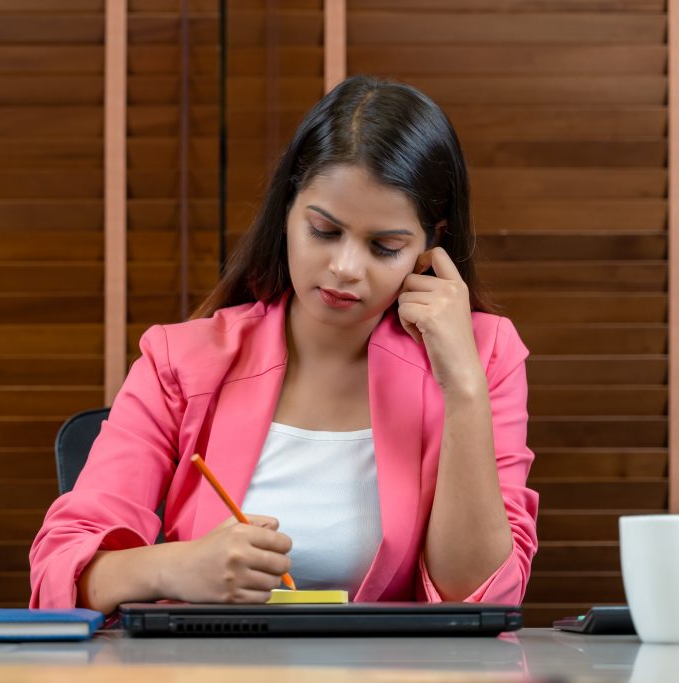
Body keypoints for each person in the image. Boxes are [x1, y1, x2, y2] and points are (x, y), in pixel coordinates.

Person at [29, 74, 539, 615]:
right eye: (323, 231)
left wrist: (461, 385)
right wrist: (176, 566)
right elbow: (59, 570)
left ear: (429, 246)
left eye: (384, 246)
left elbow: (478, 598)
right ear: (288, 213)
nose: (345, 268)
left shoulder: (483, 354)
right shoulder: (180, 360)